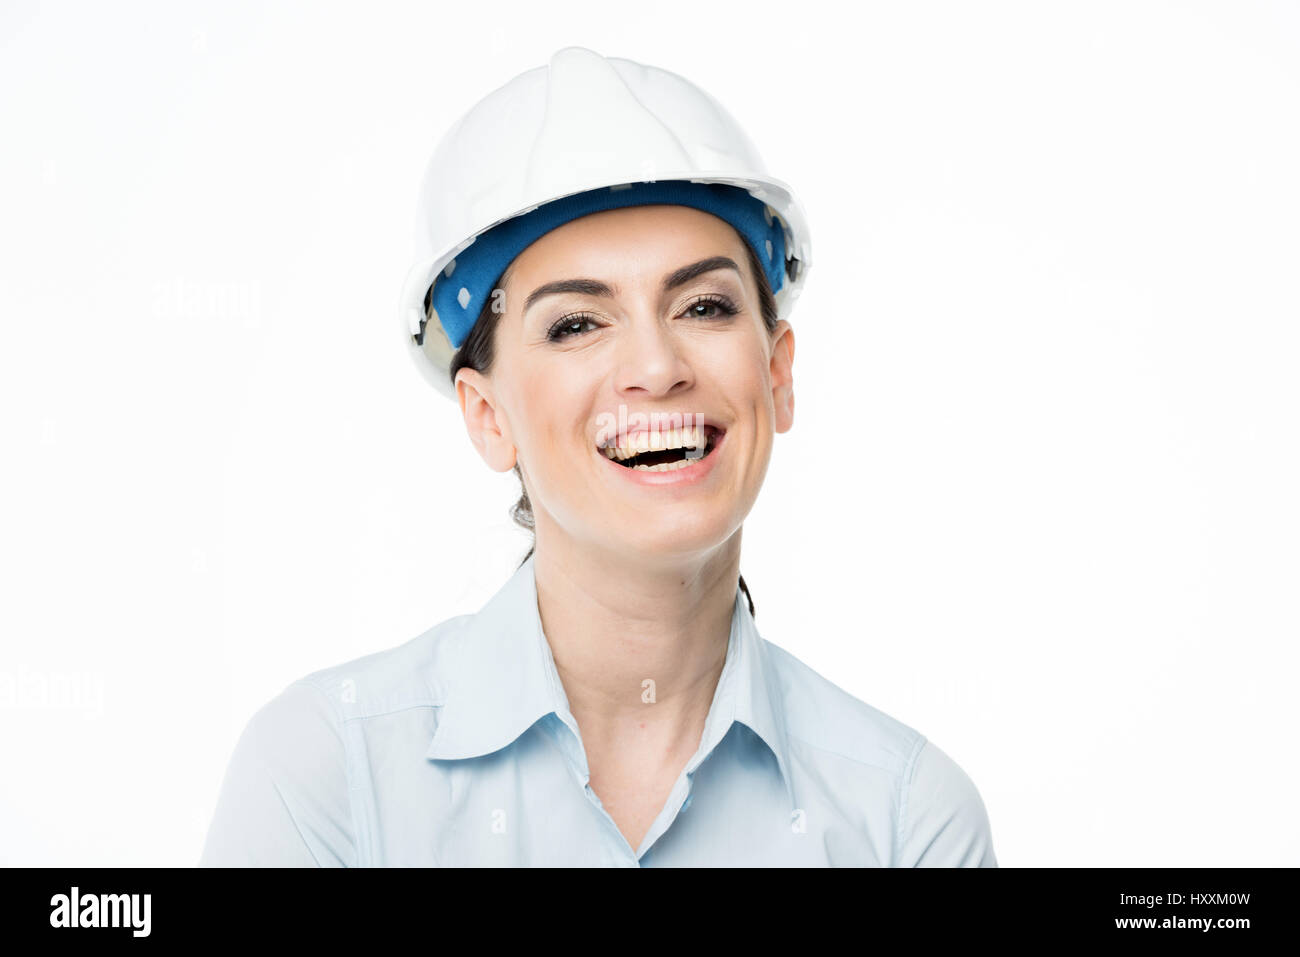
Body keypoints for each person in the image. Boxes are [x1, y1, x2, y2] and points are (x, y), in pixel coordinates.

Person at [199, 46, 997, 867]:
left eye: (705, 305)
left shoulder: (906, 819)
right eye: (576, 323)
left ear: (777, 372)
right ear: (487, 415)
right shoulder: (328, 779)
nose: (657, 367)